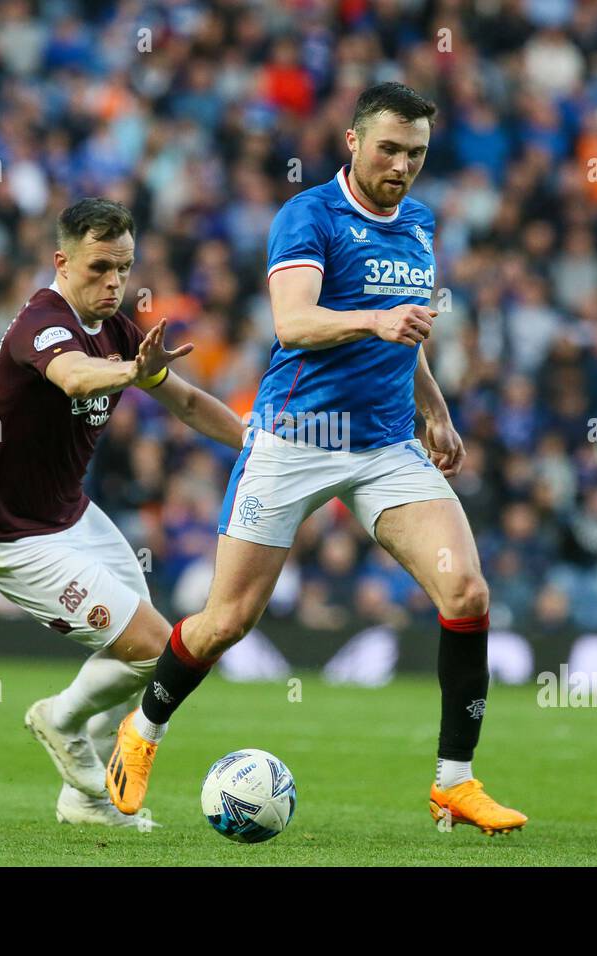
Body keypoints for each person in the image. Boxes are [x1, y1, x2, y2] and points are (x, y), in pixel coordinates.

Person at [106, 84, 527, 835]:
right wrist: (377, 317)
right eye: (390, 148)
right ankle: (142, 731)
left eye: (417, 153)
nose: (402, 165)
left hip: (387, 444)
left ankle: (453, 782)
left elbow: (408, 335)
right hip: (296, 440)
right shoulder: (308, 216)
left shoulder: (422, 224)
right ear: (353, 142)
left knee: (465, 590)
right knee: (226, 621)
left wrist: (436, 410)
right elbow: (293, 323)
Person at [0, 198, 244, 827]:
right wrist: (131, 373)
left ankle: (84, 802)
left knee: (154, 652)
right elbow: (77, 378)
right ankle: (60, 721)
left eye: (124, 268)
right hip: (7, 534)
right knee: (148, 649)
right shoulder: (43, 322)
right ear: (63, 262)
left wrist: (256, 445)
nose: (114, 282)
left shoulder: (119, 331)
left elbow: (189, 404)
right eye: (100, 268)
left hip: (69, 514)